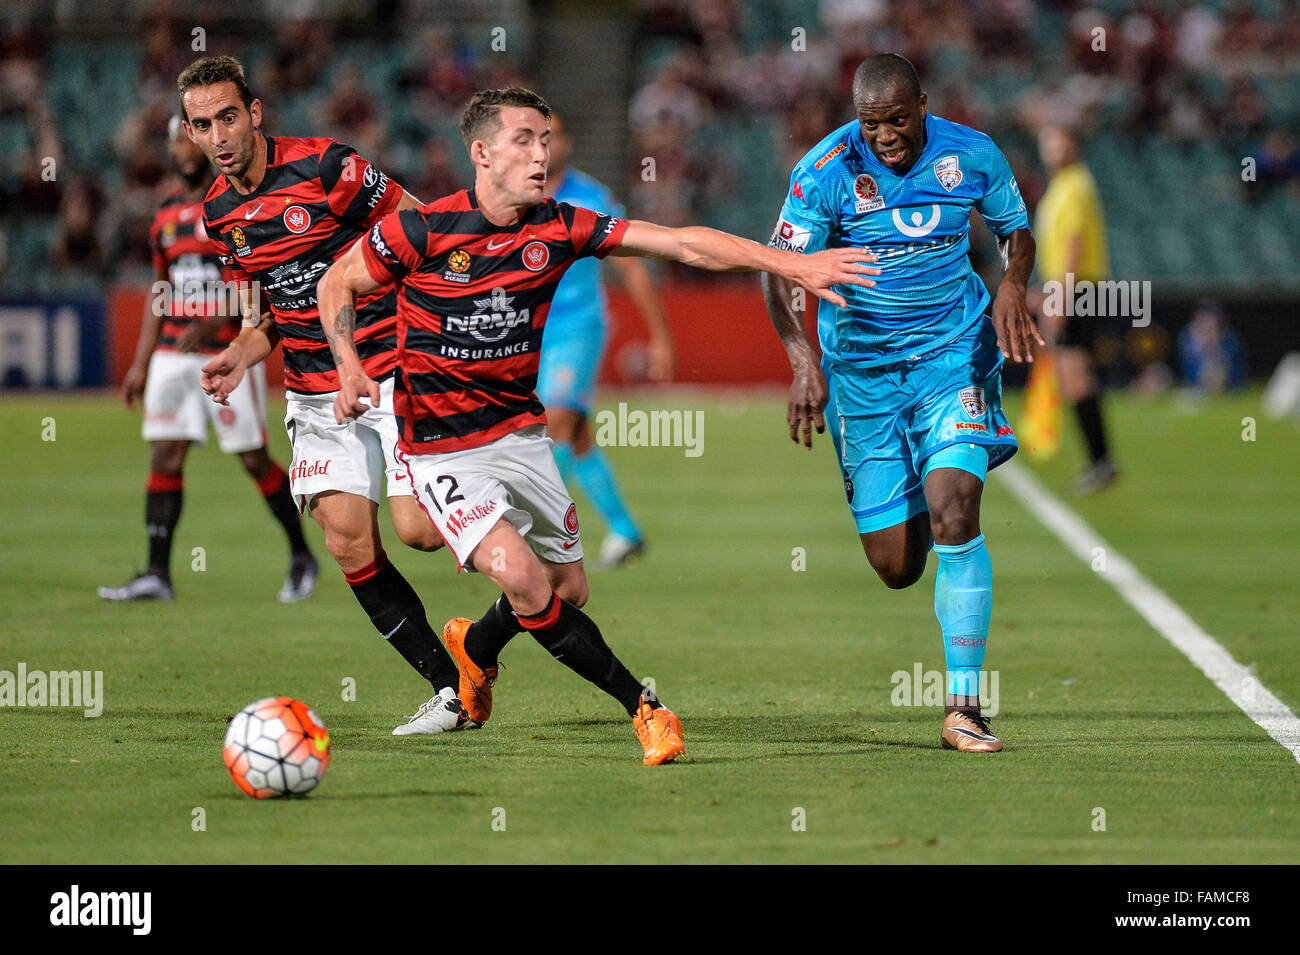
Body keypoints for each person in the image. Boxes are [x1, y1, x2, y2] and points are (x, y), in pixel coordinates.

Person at [317, 87, 877, 765]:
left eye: (546, 139)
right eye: (524, 139)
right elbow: (336, 285)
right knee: (523, 581)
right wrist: (349, 367)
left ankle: (475, 648)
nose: (540, 152)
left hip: (521, 438)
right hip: (441, 451)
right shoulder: (422, 230)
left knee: (566, 590)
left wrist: (792, 262)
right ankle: (645, 708)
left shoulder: (560, 226)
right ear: (482, 152)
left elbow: (679, 244)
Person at [761, 54, 1041, 753]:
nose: (883, 135)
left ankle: (963, 708)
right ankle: (914, 484)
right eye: (869, 122)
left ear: (922, 104)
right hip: (863, 378)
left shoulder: (970, 152)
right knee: (896, 565)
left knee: (956, 508)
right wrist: (803, 360)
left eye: (895, 119)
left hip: (952, 357)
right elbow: (778, 270)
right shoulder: (824, 172)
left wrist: (1011, 284)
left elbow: (1017, 229)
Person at [177, 55, 464, 736]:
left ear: (254, 113)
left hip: (395, 368)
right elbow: (264, 312)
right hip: (313, 390)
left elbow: (421, 226)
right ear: (188, 134)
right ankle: (451, 689)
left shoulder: (327, 167)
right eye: (200, 125)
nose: (217, 135)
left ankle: (514, 560)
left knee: (419, 532)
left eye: (226, 117)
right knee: (347, 543)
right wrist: (240, 354)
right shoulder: (220, 214)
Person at [100, 116, 318, 604]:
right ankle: (157, 573)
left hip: (229, 351)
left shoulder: (232, 208)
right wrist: (140, 363)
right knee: (165, 454)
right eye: (175, 138)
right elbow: (161, 289)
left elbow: (257, 278)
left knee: (251, 456)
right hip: (173, 355)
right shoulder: (164, 216)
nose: (181, 147)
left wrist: (216, 317)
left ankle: (302, 556)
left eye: (188, 138)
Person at [539, 112, 674, 567]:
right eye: (536, 137)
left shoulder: (592, 198)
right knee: (575, 435)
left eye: (552, 136)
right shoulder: (517, 195)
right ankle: (624, 530)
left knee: (552, 425)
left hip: (576, 327)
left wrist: (659, 338)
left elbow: (631, 265)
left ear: (567, 144)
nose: (544, 145)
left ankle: (544, 541)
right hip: (525, 331)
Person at [1036, 123, 1118, 495]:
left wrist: (1060, 299)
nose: (1052, 148)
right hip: (1073, 288)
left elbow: (1073, 245)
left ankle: (1101, 462)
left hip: (1078, 289)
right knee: (1074, 376)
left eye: (1059, 140)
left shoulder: (1074, 186)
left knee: (1076, 376)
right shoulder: (1064, 186)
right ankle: (1100, 461)